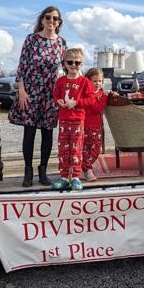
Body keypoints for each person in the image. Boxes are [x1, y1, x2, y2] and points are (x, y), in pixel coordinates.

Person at [8, 6, 67, 187]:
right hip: (31, 92)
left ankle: (43, 170)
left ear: (59, 23)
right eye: (48, 17)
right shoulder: (32, 39)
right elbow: (22, 66)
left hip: (51, 94)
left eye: (55, 18)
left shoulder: (62, 43)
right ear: (42, 20)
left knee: (47, 132)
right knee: (30, 131)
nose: (51, 21)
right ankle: (28, 171)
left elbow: (67, 69)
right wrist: (21, 91)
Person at [52, 48, 95, 190]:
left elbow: (91, 99)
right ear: (64, 63)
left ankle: (75, 177)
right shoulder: (60, 81)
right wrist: (58, 101)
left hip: (77, 120)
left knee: (76, 149)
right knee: (64, 149)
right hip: (64, 120)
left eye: (77, 62)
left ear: (81, 64)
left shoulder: (85, 82)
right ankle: (64, 177)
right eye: (70, 62)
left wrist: (76, 102)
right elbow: (56, 95)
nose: (73, 65)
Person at [81, 67, 111, 182]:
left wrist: (91, 97)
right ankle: (87, 170)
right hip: (83, 126)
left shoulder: (103, 96)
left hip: (96, 128)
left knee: (95, 150)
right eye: (95, 81)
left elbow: (98, 109)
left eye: (100, 81)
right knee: (84, 149)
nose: (98, 83)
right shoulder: (83, 94)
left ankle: (85, 165)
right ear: (88, 81)